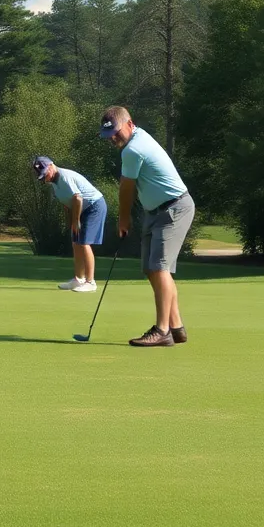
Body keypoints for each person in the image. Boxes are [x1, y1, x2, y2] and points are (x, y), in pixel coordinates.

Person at [99, 106, 195, 347]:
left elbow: (126, 187)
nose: (112, 139)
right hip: (156, 211)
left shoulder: (133, 149)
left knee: (160, 268)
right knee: (151, 269)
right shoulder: (136, 138)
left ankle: (162, 330)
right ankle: (176, 327)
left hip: (174, 208)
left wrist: (123, 219)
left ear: (130, 124)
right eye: (108, 135)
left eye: (116, 133)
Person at [32, 156, 108, 293]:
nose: (45, 179)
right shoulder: (54, 183)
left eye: (45, 174)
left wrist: (76, 220)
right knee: (76, 242)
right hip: (81, 209)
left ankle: (90, 282)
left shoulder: (64, 177)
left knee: (84, 243)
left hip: (94, 206)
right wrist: (70, 223)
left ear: (51, 166)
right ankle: (79, 279)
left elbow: (78, 198)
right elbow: (67, 204)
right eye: (42, 177)